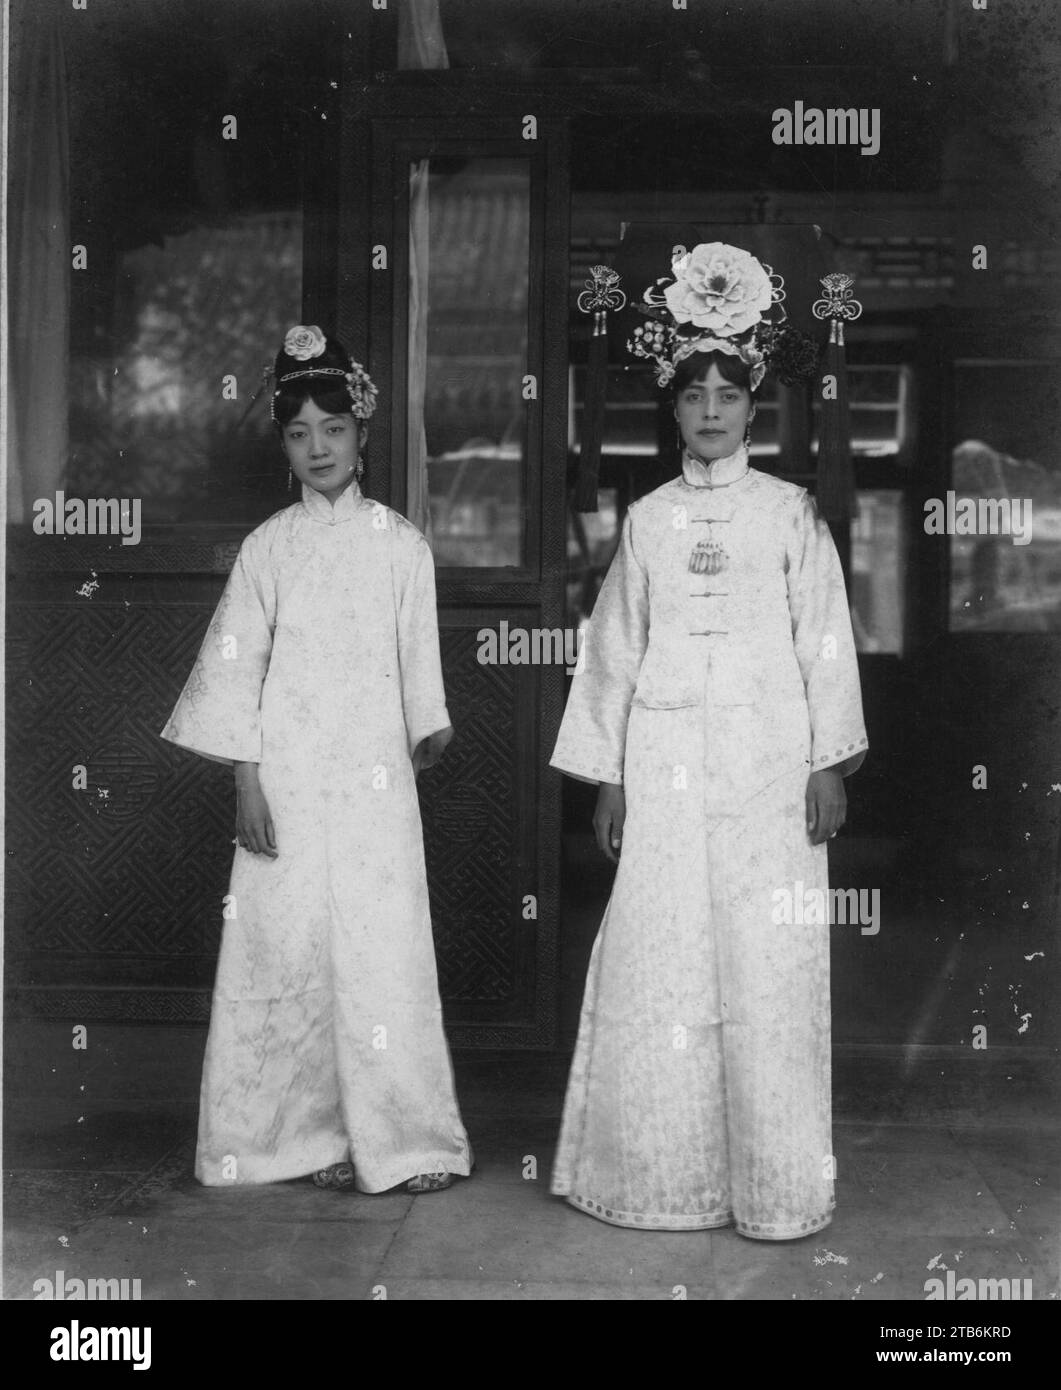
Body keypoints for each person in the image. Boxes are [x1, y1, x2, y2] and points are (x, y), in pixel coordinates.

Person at [550, 243, 867, 1237]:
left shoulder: (790, 515)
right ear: (672, 405)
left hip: (768, 770)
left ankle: (772, 1190)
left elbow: (823, 642)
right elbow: (612, 653)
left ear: (754, 401)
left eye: (730, 390)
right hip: (663, 765)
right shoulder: (644, 523)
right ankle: (657, 1179)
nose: (713, 409)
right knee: (662, 958)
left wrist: (826, 762)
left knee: (763, 964)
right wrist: (606, 779)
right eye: (694, 393)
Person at [161, 325, 472, 1195]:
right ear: (284, 446)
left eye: (333, 429)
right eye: (298, 433)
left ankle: (408, 1141)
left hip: (375, 778)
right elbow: (235, 673)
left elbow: (420, 678)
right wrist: (245, 781)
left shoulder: (400, 544)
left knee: (381, 948)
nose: (318, 448)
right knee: (284, 949)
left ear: (362, 434)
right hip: (285, 779)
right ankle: (297, 1140)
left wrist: (423, 731)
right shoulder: (268, 549)